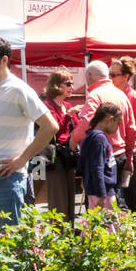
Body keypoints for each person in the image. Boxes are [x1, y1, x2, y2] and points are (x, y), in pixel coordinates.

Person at [0, 37, 59, 229]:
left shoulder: (19, 89)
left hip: (6, 178)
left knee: (10, 251)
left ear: (4, 60)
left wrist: (22, 159)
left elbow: (50, 126)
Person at [70, 61, 134, 210]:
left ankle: (97, 232)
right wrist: (129, 157)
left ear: (90, 75)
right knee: (114, 201)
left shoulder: (95, 95)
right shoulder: (122, 95)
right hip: (119, 155)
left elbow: (87, 122)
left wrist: (73, 139)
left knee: (97, 205)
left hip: (100, 156)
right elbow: (132, 130)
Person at [112, 58, 136, 217]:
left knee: (131, 197)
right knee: (115, 197)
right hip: (116, 151)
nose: (110, 78)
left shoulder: (134, 97)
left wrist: (129, 137)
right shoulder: (112, 94)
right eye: (109, 74)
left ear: (126, 76)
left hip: (132, 151)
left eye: (114, 74)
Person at [41, 69, 78, 223]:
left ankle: (68, 232)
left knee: (70, 194)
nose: (71, 87)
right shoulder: (47, 105)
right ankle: (58, 234)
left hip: (68, 154)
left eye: (73, 83)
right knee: (58, 197)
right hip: (54, 156)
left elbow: (74, 129)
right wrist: (68, 115)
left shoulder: (66, 104)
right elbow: (54, 130)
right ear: (57, 85)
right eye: (68, 84)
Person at [78, 102, 121, 210]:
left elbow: (82, 164)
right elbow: (97, 167)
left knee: (96, 223)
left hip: (96, 189)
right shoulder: (99, 139)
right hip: (103, 192)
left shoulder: (91, 135)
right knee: (107, 224)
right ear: (109, 119)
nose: (117, 128)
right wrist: (101, 194)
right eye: (118, 123)